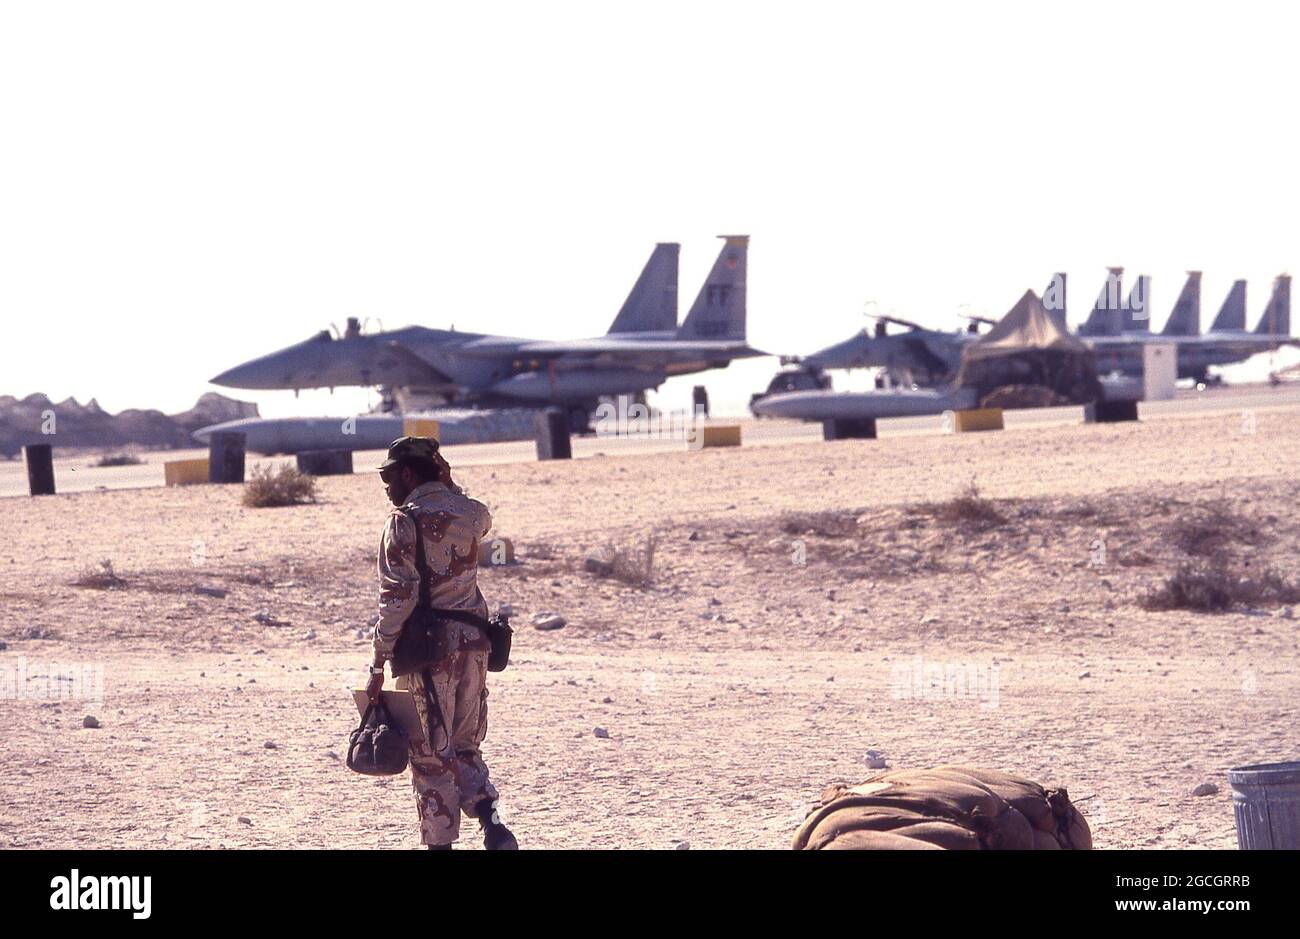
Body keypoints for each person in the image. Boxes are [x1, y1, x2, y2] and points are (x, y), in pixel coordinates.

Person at [365, 436, 518, 850]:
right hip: (476, 644)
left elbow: (397, 597)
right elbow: (480, 516)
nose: (388, 489)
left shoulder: (404, 522)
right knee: (466, 745)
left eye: (390, 479)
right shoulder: (471, 513)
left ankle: (440, 845)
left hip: (431, 653)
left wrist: (379, 661)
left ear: (409, 474)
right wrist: (447, 483)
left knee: (432, 754)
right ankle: (492, 822)